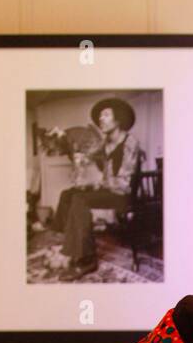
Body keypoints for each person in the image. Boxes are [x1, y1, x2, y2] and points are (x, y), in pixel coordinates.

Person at [50, 96, 143, 279]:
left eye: (106, 115)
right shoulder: (106, 144)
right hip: (110, 190)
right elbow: (94, 164)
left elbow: (124, 183)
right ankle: (68, 246)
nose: (101, 119)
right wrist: (71, 149)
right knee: (69, 194)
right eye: (100, 116)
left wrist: (95, 185)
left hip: (123, 194)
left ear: (118, 119)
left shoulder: (131, 143)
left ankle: (87, 260)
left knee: (80, 200)